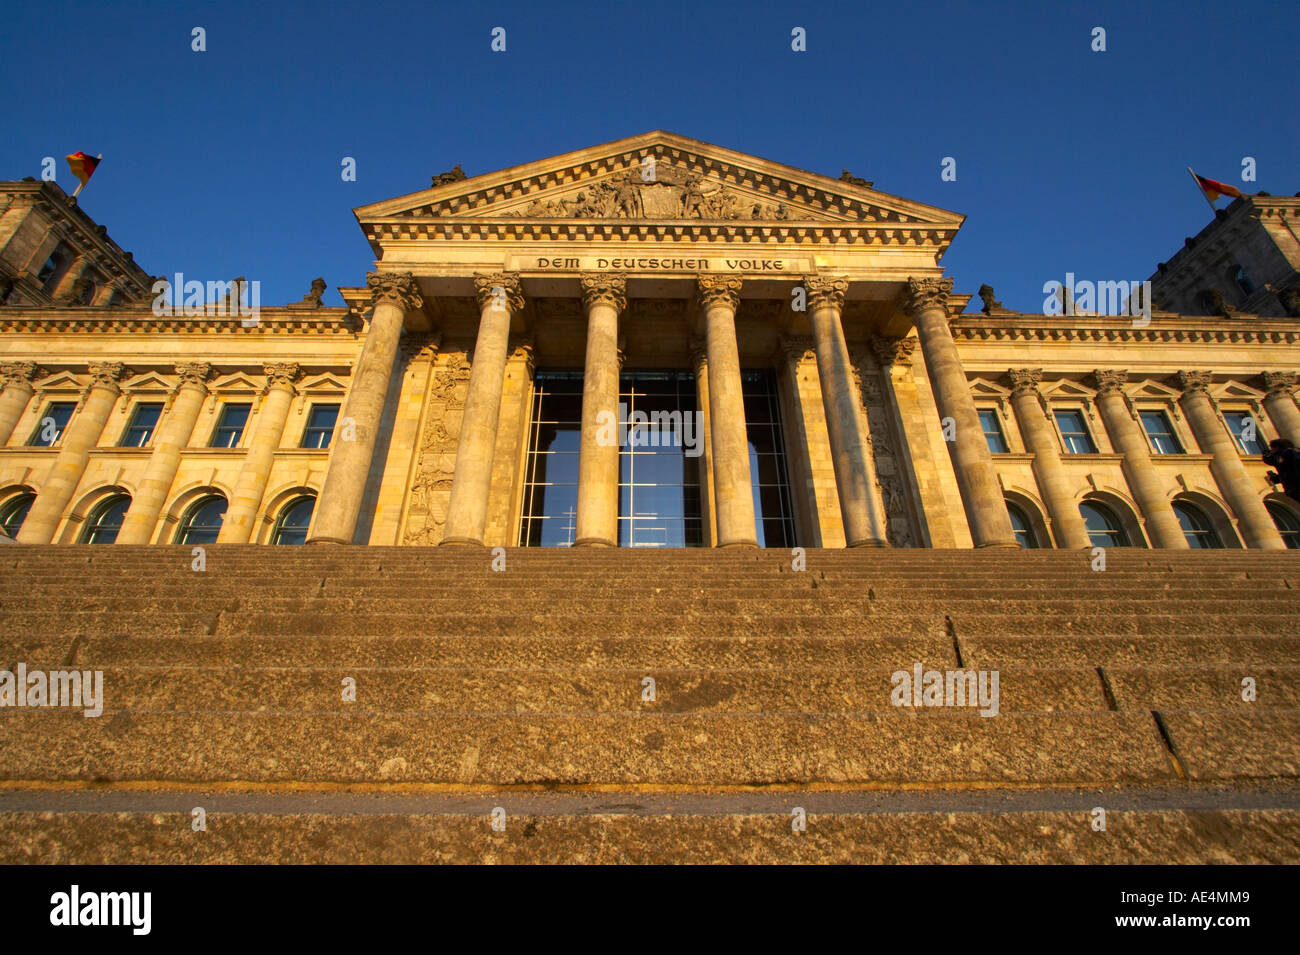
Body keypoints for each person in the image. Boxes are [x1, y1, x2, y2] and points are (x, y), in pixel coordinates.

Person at [1262, 438, 1300, 503]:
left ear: (1277, 447)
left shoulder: (1286, 453)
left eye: (1272, 449)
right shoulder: (1294, 453)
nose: (1272, 451)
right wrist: (1278, 478)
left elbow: (1271, 460)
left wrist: (1266, 455)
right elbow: (1289, 472)